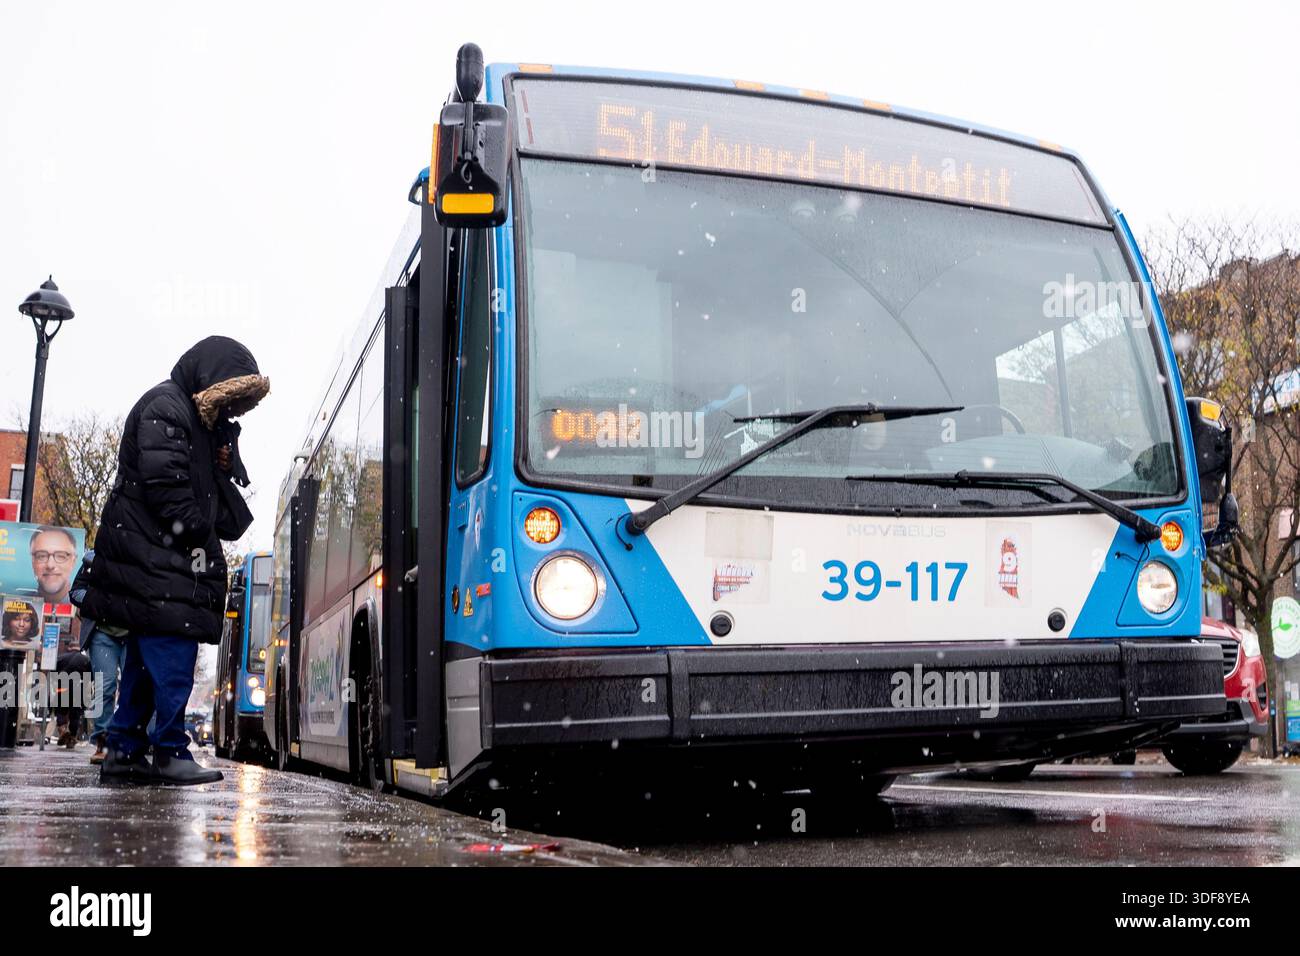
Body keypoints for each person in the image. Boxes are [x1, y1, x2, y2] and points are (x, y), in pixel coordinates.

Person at [79, 336, 269, 786]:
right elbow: (169, 494)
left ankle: (124, 749)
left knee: (148, 664)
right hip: (158, 563)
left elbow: (218, 512)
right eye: (233, 400)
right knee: (172, 657)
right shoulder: (166, 408)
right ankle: (168, 749)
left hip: (155, 561)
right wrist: (200, 540)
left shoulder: (191, 421)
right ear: (214, 385)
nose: (235, 412)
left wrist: (222, 465)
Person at [69, 550, 129, 764]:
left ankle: (130, 741)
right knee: (105, 687)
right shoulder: (92, 559)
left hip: (134, 634)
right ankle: (102, 742)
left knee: (134, 689)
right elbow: (75, 592)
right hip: (102, 634)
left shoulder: (143, 554)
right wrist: (97, 602)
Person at [29, 527, 78, 605]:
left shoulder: (84, 607)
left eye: (60, 556)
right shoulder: (16, 601)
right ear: (33, 562)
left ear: (73, 562)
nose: (50, 565)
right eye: (41, 556)